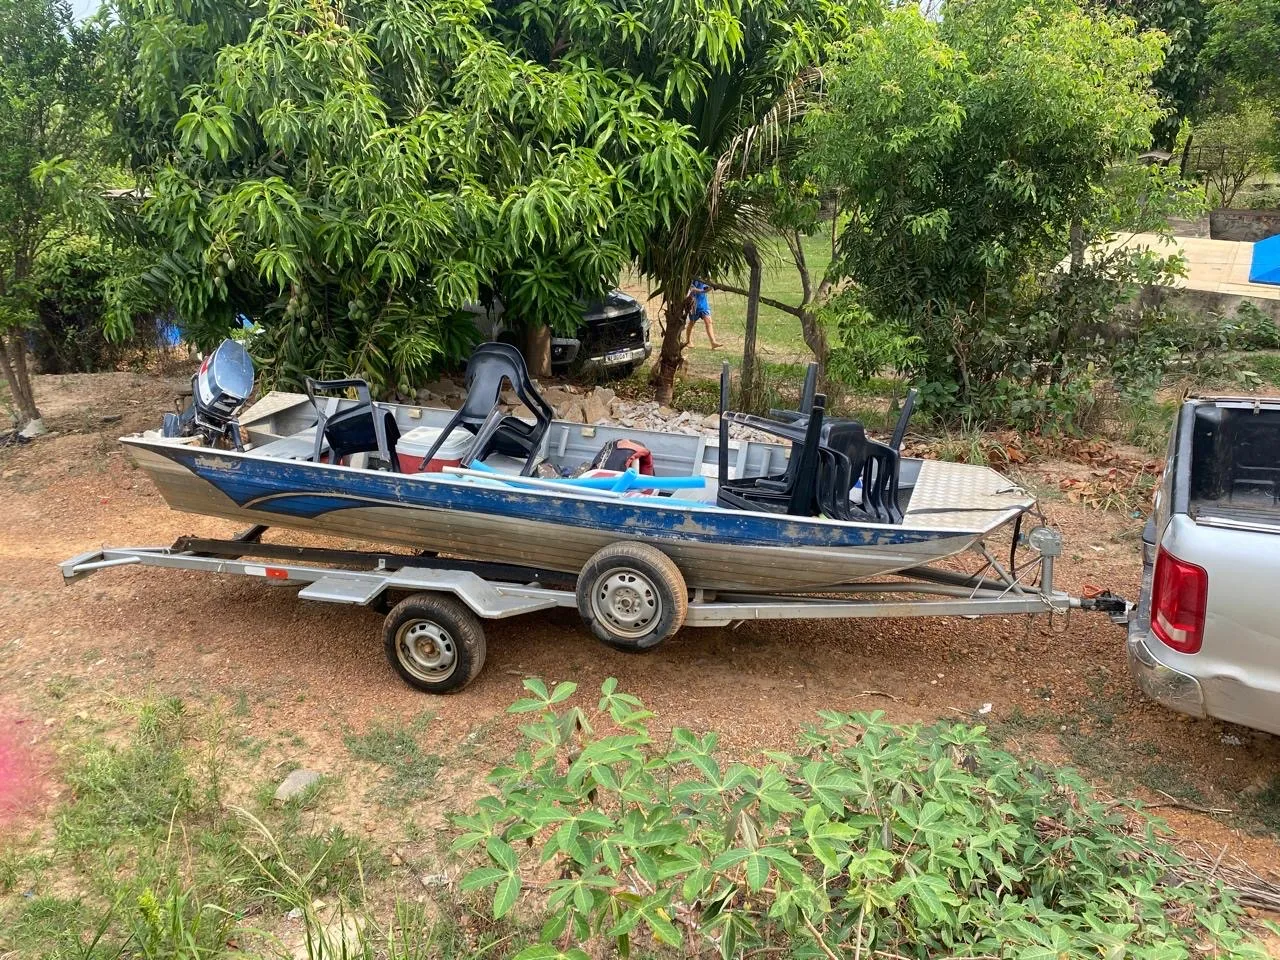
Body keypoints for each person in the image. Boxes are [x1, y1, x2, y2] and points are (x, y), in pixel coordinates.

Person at [683, 279, 722, 349]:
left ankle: (713, 342)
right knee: (692, 322)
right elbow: (692, 289)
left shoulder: (705, 276)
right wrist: (704, 291)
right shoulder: (692, 277)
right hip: (694, 303)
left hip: (703, 302)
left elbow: (706, 286)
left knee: (708, 321)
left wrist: (710, 287)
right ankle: (688, 341)